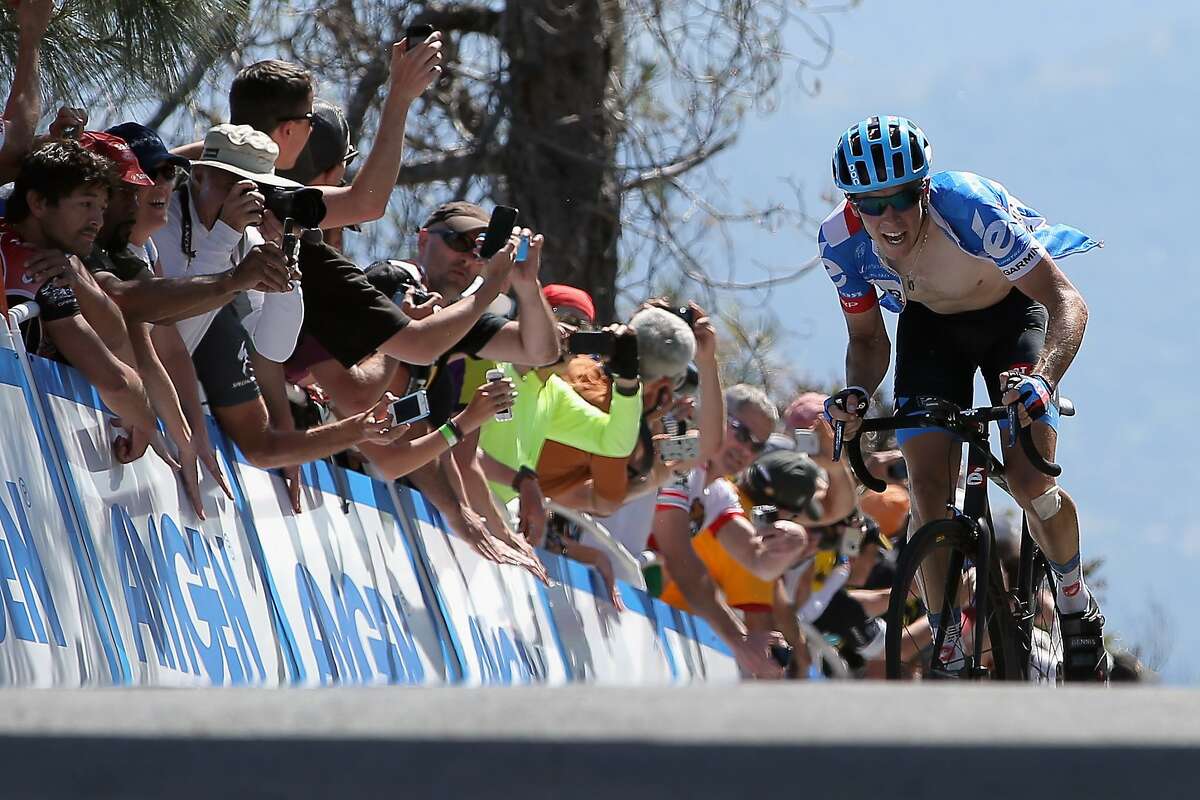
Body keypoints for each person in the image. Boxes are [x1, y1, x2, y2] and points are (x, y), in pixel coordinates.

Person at [819, 115, 1107, 680]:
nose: (889, 218)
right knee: (927, 488)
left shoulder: (969, 209)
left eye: (902, 198)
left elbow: (1067, 301)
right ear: (853, 205)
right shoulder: (841, 241)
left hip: (1012, 316)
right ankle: (947, 636)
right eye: (871, 204)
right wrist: (855, 394)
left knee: (1030, 481)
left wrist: (1043, 378)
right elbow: (867, 340)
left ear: (925, 189)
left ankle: (1075, 603)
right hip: (931, 332)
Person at [1, 141, 170, 464]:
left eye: (102, 208)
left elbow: (115, 334)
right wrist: (146, 421)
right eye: (86, 204)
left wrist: (79, 280)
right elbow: (117, 382)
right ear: (38, 202)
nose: (97, 220)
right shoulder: (34, 266)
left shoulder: (45, 256)